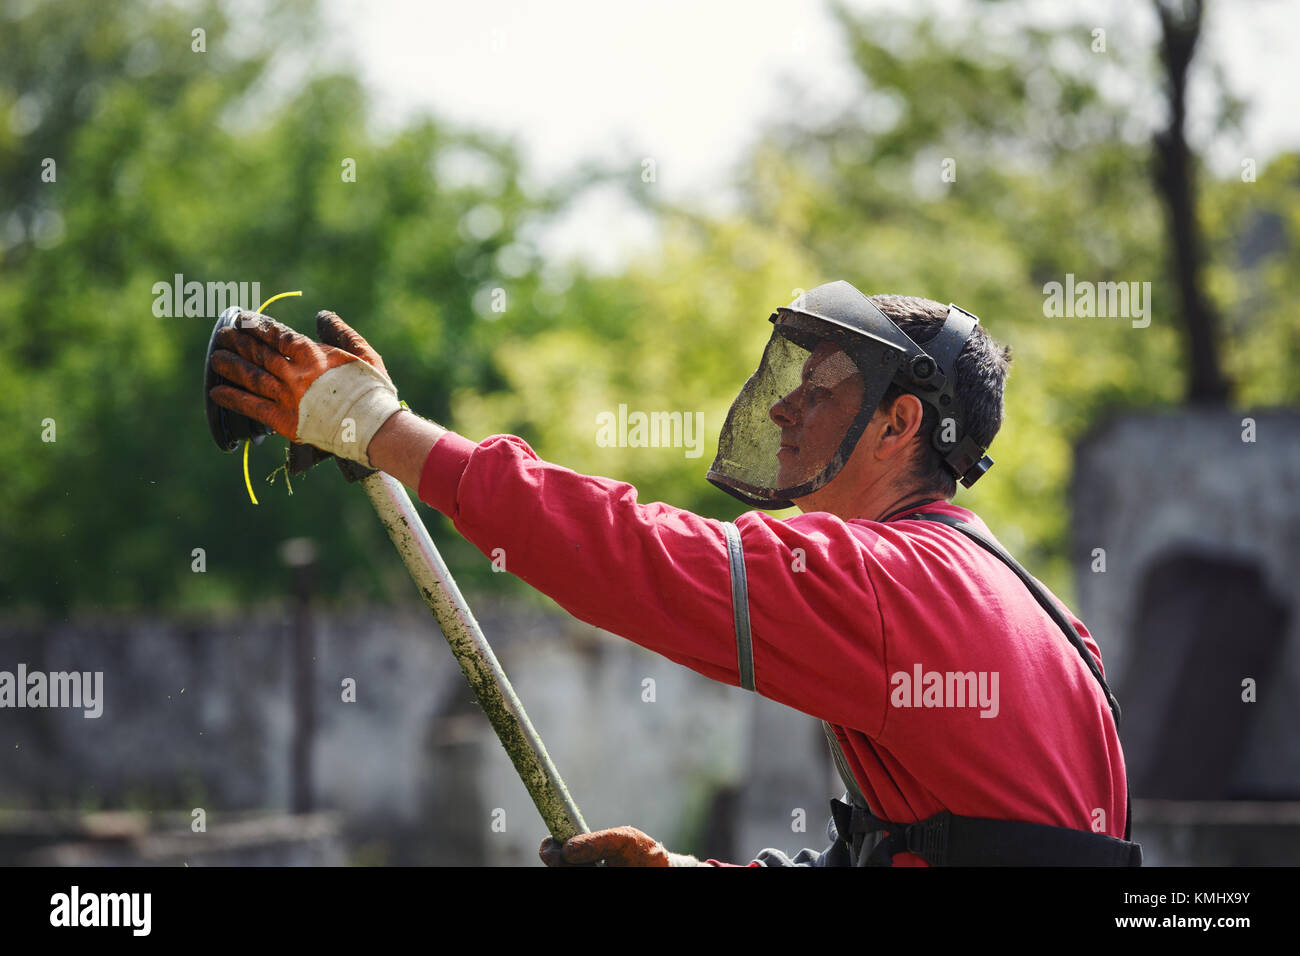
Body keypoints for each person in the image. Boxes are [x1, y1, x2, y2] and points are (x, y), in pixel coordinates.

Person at [208, 280, 1140, 867]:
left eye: (825, 392)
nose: (784, 413)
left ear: (900, 427)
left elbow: (629, 554)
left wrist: (375, 425)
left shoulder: (892, 581)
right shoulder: (1029, 601)